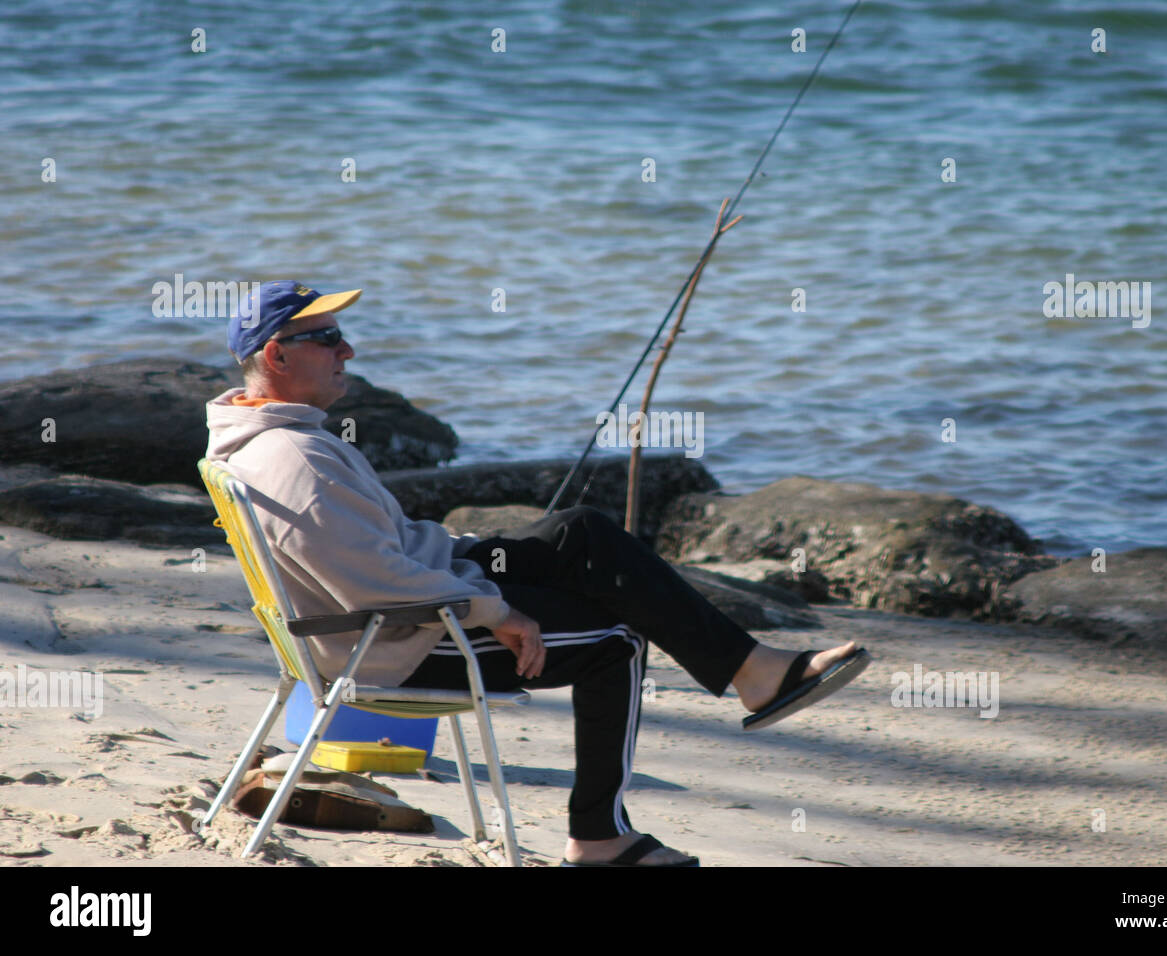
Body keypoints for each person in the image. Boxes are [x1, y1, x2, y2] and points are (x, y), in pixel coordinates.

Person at [205, 280, 870, 866]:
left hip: (414, 603)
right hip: (398, 642)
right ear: (278, 356)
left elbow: (387, 549)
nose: (347, 350)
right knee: (615, 641)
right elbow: (372, 582)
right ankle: (599, 837)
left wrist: (472, 554)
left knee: (580, 533)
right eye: (329, 338)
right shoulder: (291, 458)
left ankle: (751, 670)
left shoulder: (279, 437)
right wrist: (494, 608)